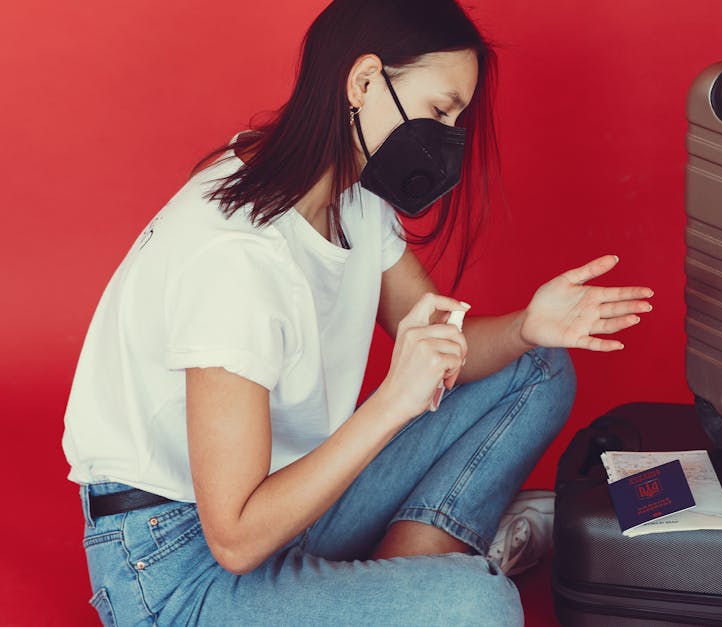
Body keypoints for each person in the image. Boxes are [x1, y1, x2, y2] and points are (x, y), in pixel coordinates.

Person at [61, 0, 653, 624]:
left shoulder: (349, 193)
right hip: (178, 565)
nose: (449, 136)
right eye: (440, 109)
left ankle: (392, 582)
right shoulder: (234, 259)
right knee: (482, 607)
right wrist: (392, 402)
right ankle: (431, 575)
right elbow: (233, 538)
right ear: (364, 81)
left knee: (537, 366)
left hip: (295, 502)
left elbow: (438, 341)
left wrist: (529, 325)